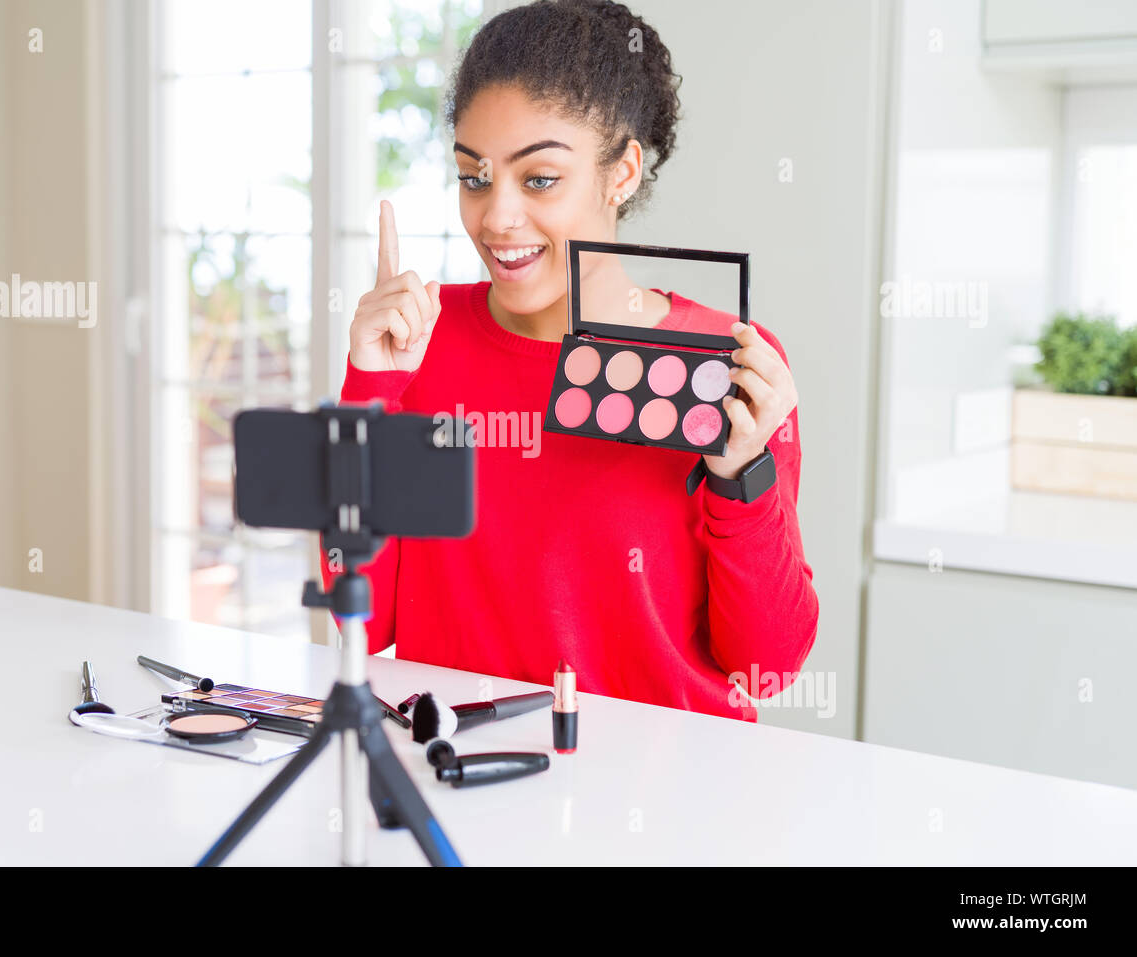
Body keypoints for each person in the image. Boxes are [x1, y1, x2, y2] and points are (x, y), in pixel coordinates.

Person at [325, 0, 817, 720]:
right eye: (474, 177)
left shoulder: (729, 365)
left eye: (540, 179)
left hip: (675, 802)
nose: (496, 217)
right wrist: (372, 387)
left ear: (621, 174)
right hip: (460, 774)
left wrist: (743, 474)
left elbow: (766, 669)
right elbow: (360, 617)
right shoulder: (420, 343)